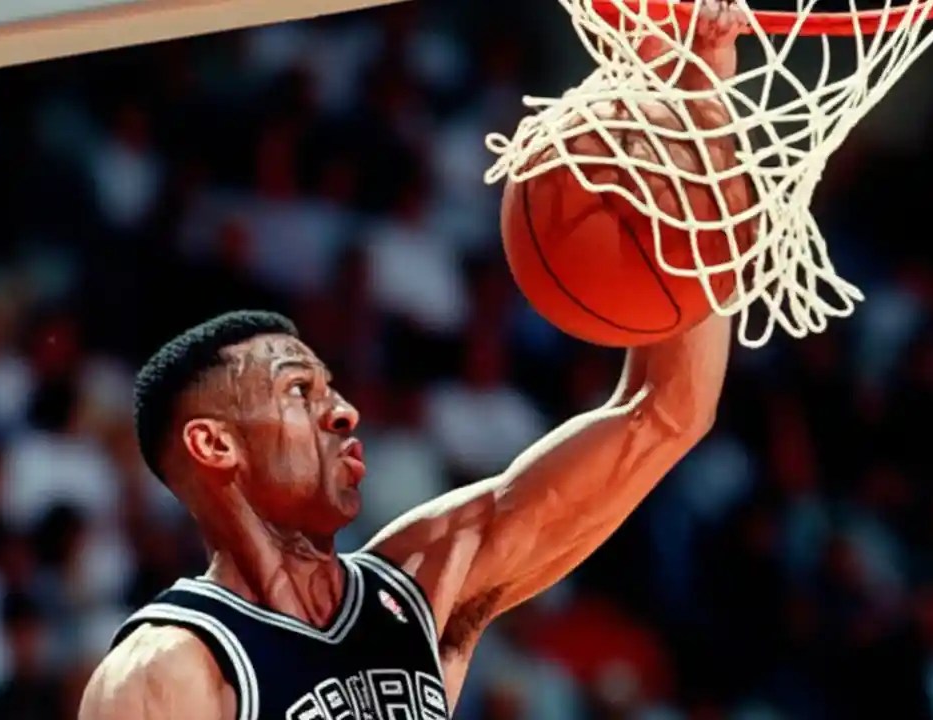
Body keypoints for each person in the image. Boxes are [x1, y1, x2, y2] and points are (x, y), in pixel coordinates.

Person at [78, 5, 742, 719]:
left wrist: (694, 117)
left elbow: (668, 411)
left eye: (329, 387)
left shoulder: (419, 588)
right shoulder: (166, 670)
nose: (342, 410)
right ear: (215, 445)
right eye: (298, 391)